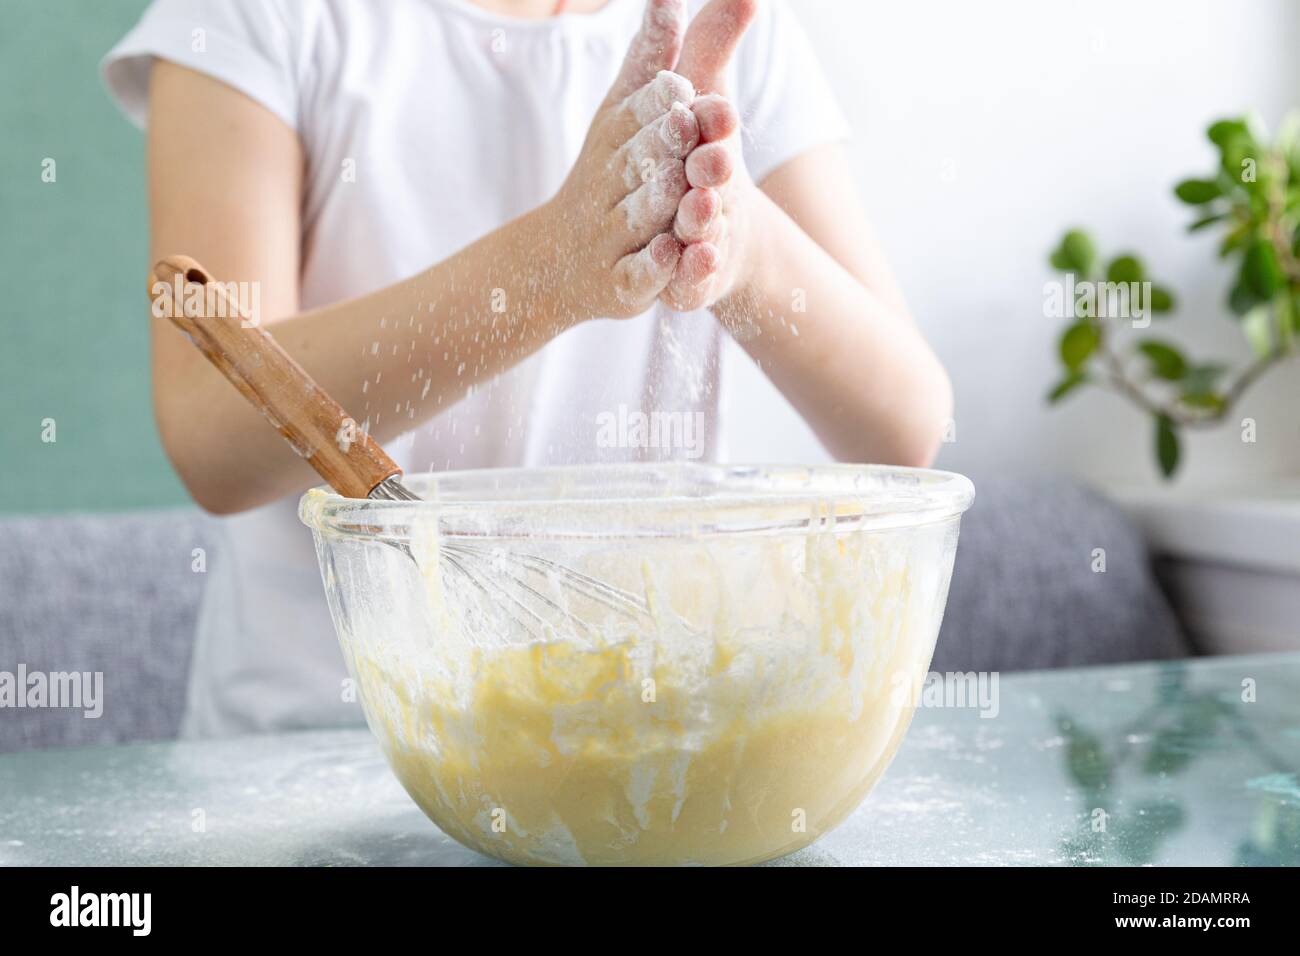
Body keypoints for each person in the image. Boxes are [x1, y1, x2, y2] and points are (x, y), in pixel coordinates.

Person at [103, 0, 952, 738]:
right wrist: (548, 270)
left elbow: (905, 425)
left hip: (639, 745)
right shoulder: (258, 16)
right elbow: (208, 431)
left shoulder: (735, 35)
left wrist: (747, 252)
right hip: (314, 750)